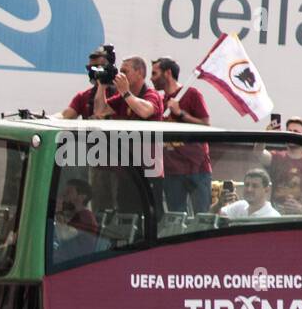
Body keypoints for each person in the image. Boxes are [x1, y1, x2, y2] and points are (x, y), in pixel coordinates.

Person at [151, 57, 212, 213]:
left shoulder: (192, 94)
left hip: (197, 168)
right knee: (176, 218)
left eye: (155, 73)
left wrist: (181, 113)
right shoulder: (158, 100)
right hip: (172, 171)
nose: (151, 78)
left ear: (168, 73)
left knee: (201, 216)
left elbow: (206, 125)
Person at [61, 50, 163, 122]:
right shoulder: (122, 98)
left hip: (147, 152)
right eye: (120, 71)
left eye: (125, 71)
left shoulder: (151, 94)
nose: (121, 75)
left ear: (139, 73)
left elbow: (145, 111)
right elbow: (100, 111)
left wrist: (126, 92)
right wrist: (102, 85)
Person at [53, 178, 101, 263]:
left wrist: (58, 212)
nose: (64, 195)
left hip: (71, 262)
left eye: (69, 192)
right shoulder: (78, 216)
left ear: (82, 197)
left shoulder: (85, 217)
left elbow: (63, 235)